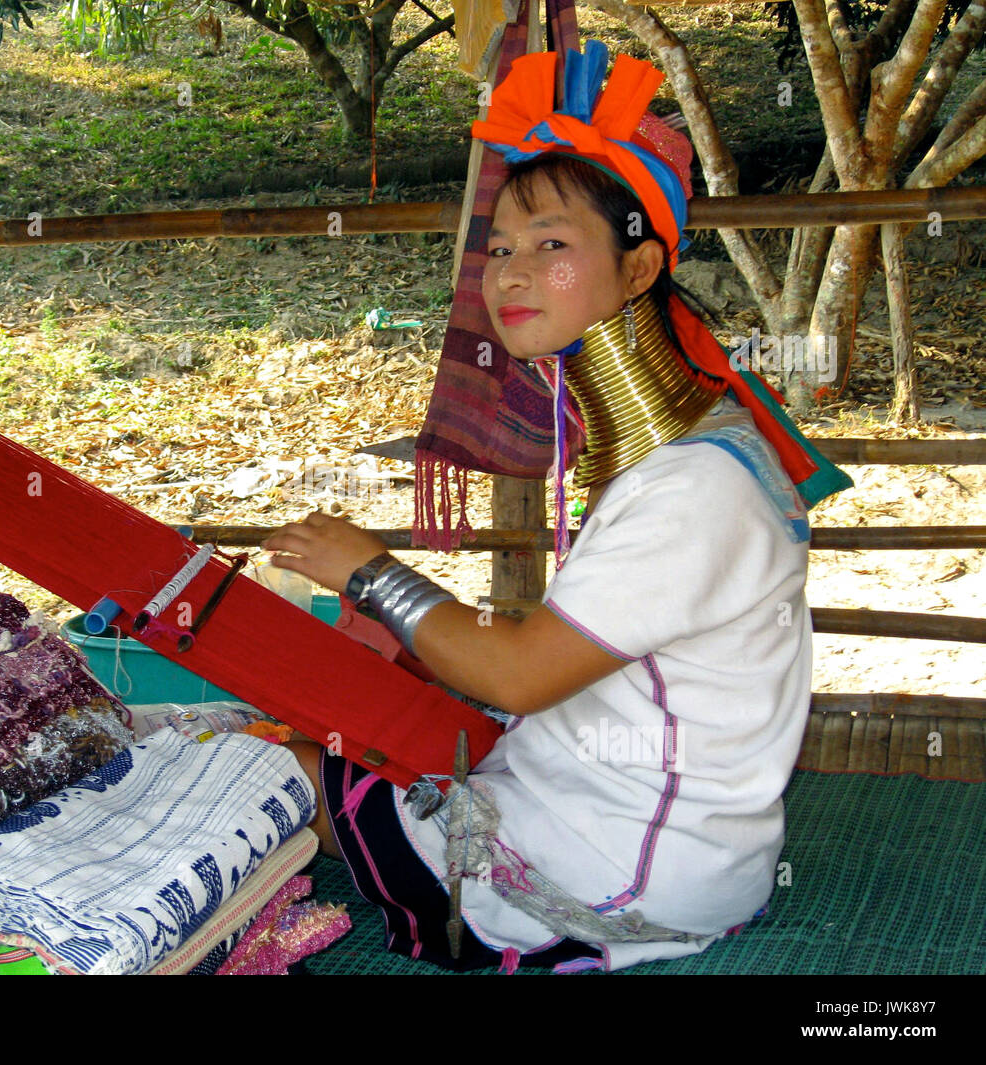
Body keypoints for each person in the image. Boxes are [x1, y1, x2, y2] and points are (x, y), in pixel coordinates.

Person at [262, 42, 850, 973]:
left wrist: (368, 573)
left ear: (642, 264)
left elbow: (520, 680)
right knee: (346, 739)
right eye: (499, 249)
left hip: (621, 873)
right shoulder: (704, 440)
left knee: (277, 772)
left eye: (552, 245)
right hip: (663, 834)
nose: (511, 273)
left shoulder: (695, 485)